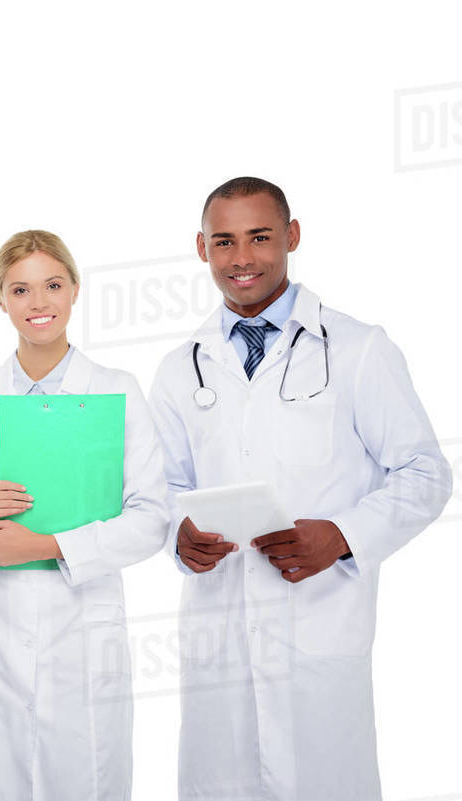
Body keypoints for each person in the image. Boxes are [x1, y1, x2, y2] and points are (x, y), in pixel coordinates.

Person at [149, 176, 452, 801]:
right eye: (224, 241)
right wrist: (178, 536)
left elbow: (426, 473)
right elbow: (162, 488)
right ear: (202, 249)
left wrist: (342, 535)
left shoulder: (359, 349)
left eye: (260, 237)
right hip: (221, 642)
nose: (242, 258)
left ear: (291, 236)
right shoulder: (182, 367)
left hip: (320, 632)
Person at [0, 230, 169, 801]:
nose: (38, 303)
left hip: (82, 623)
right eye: (20, 289)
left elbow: (151, 517)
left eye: (52, 286)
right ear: (1, 300)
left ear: (75, 291)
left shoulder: (117, 391)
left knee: (82, 775)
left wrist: (47, 547)